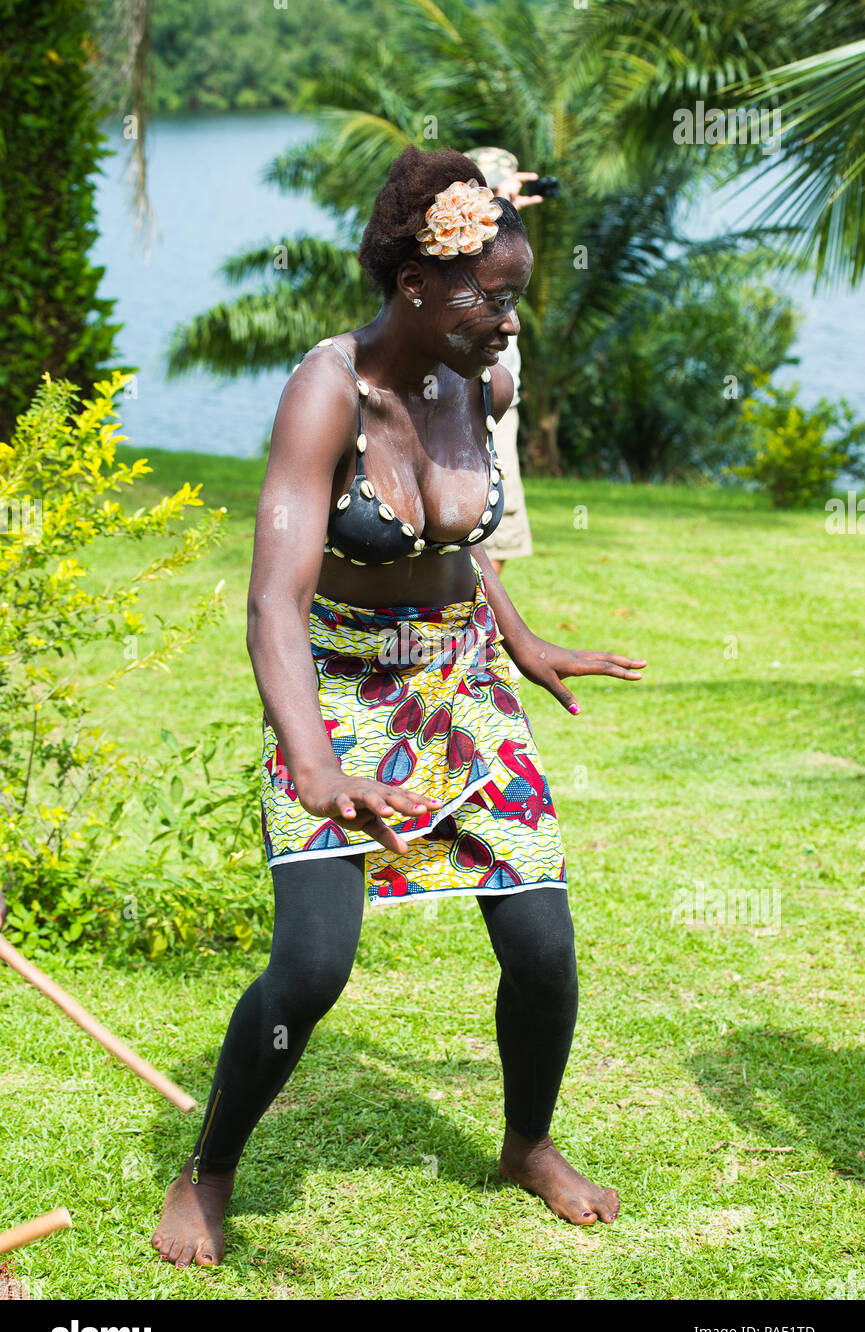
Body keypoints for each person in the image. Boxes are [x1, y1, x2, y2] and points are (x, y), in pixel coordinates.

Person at [152, 145, 646, 1269]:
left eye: (517, 297)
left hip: (459, 688)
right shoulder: (327, 389)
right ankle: (211, 1166)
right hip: (336, 690)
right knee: (313, 966)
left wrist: (518, 641)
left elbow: (454, 542)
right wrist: (316, 762)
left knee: (542, 944)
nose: (509, 323)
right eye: (490, 297)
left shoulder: (481, 377)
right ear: (415, 286)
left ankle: (527, 1142)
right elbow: (272, 605)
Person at [463, 148, 541, 575]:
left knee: (500, 520)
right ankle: (475, 621)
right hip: (479, 399)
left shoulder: (500, 236)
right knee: (488, 518)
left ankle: (480, 619)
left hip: (498, 400)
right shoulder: (467, 243)